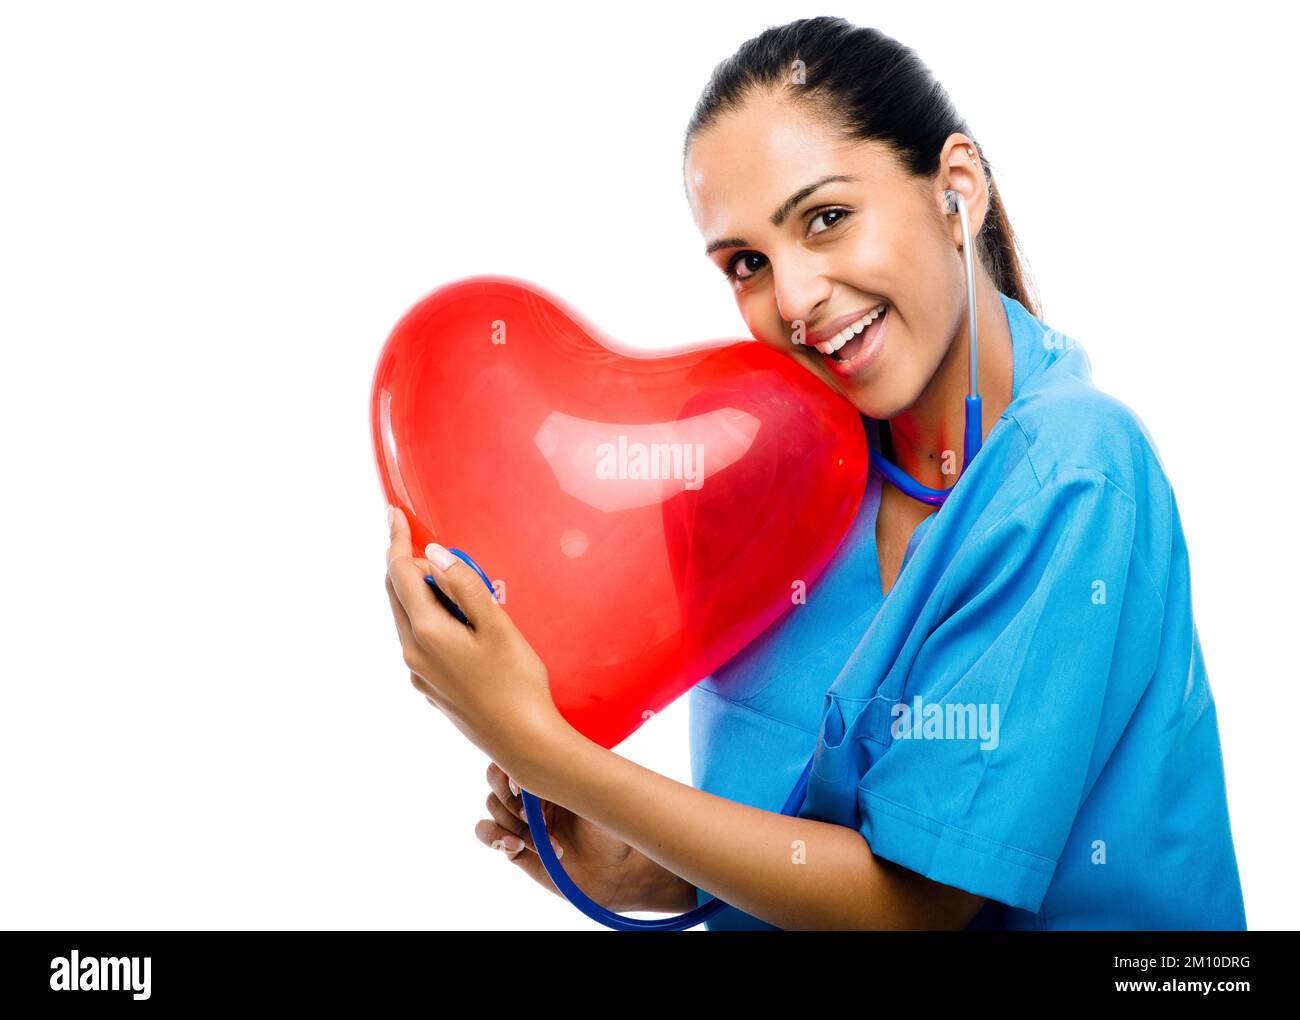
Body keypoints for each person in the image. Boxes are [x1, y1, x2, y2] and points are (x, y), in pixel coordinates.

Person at [385, 16, 1247, 929]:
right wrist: (653, 873)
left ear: (957, 189)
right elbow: (796, 846)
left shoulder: (1076, 473)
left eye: (826, 219)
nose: (794, 300)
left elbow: (913, 905)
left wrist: (542, 746)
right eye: (748, 263)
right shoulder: (751, 477)